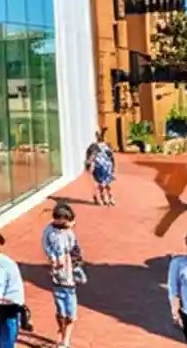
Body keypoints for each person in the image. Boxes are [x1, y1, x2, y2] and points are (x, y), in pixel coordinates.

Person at [42, 202, 84, 347]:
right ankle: (61, 330)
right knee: (60, 309)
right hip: (57, 276)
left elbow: (75, 251)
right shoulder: (49, 232)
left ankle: (66, 339)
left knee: (71, 312)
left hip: (69, 275)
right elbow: (47, 248)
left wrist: (76, 267)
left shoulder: (69, 233)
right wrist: (53, 260)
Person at [85, 130, 116, 206]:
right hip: (98, 167)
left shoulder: (107, 145)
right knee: (101, 183)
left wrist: (113, 166)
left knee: (108, 183)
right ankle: (102, 197)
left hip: (106, 166)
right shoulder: (93, 146)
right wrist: (89, 164)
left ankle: (110, 196)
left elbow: (111, 156)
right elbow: (90, 156)